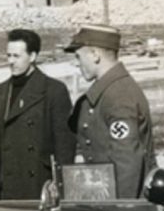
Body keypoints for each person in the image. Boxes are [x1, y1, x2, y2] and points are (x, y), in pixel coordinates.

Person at [66, 24, 156, 199]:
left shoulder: (119, 96)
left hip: (123, 205)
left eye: (79, 57)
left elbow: (127, 163)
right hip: (105, 198)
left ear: (95, 55)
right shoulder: (110, 91)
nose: (77, 64)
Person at [0, 28, 75, 199]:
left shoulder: (53, 90)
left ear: (32, 56)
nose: (11, 61)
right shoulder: (1, 91)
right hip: (7, 188)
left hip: (38, 186)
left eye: (16, 56)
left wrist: (61, 188)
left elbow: (64, 146)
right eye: (8, 55)